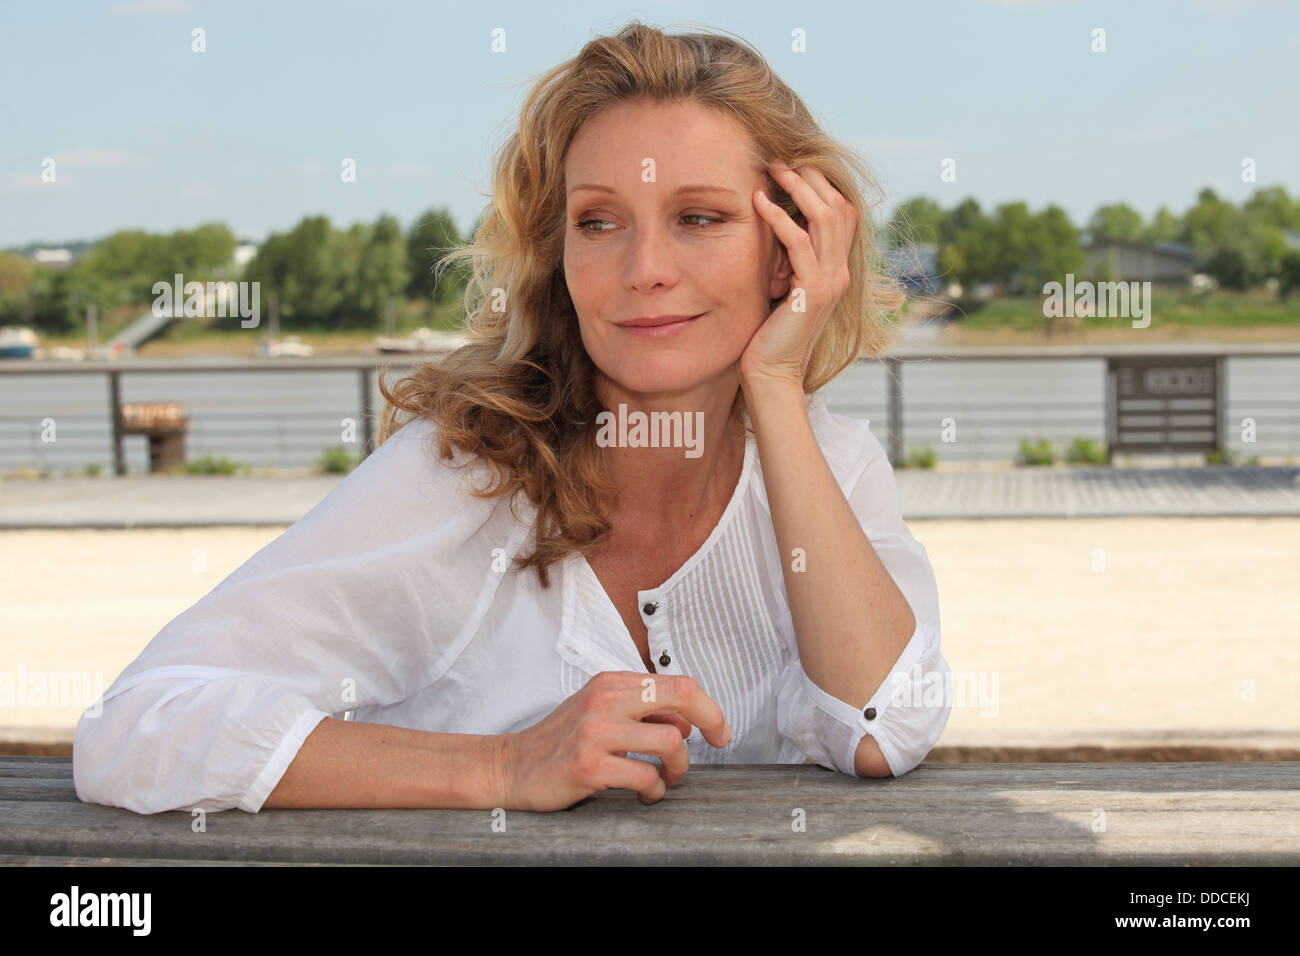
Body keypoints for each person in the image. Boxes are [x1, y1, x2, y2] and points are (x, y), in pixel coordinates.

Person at [73, 21, 951, 815]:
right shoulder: (464, 475)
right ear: (559, 254)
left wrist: (776, 383)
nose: (643, 268)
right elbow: (134, 727)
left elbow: (883, 727)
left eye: (698, 217)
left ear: (791, 250)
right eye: (599, 221)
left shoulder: (825, 465)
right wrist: (499, 768)